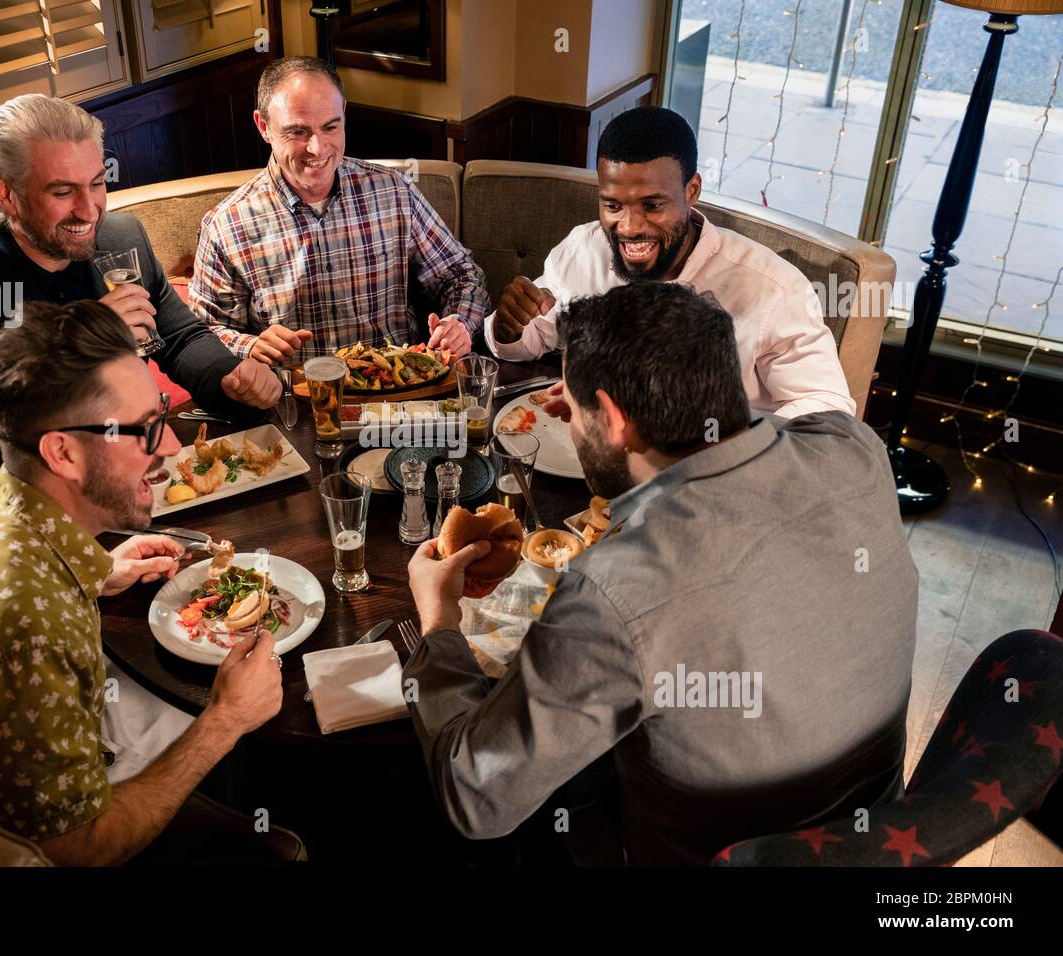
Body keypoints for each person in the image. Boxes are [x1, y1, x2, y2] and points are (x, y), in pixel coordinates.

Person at [405, 281, 917, 865]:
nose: (569, 420)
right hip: (875, 833)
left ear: (617, 420)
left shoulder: (610, 595)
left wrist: (439, 624)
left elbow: (476, 798)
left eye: (575, 408)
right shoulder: (854, 445)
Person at [0, 300, 303, 865]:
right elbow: (74, 850)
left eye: (162, 415)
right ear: (63, 452)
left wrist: (97, 574)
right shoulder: (24, 625)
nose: (167, 449)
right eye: (144, 431)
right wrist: (225, 721)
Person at [0, 93, 281, 497]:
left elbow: (180, 338)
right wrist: (84, 348)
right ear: (5, 193)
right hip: (8, 504)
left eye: (97, 183)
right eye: (63, 192)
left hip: (123, 480)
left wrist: (232, 378)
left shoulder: (121, 238)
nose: (90, 210)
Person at [485, 107, 855, 419]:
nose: (628, 228)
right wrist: (508, 328)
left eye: (652, 205)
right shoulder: (583, 248)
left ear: (691, 191)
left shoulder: (772, 288)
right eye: (613, 205)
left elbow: (827, 411)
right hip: (584, 461)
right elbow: (530, 342)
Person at [189, 56, 490, 365]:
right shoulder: (227, 225)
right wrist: (248, 346)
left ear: (344, 115)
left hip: (398, 393)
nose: (318, 149)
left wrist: (460, 323)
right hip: (295, 399)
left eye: (330, 127)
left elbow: (461, 275)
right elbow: (202, 334)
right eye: (297, 132)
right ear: (263, 126)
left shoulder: (394, 191)